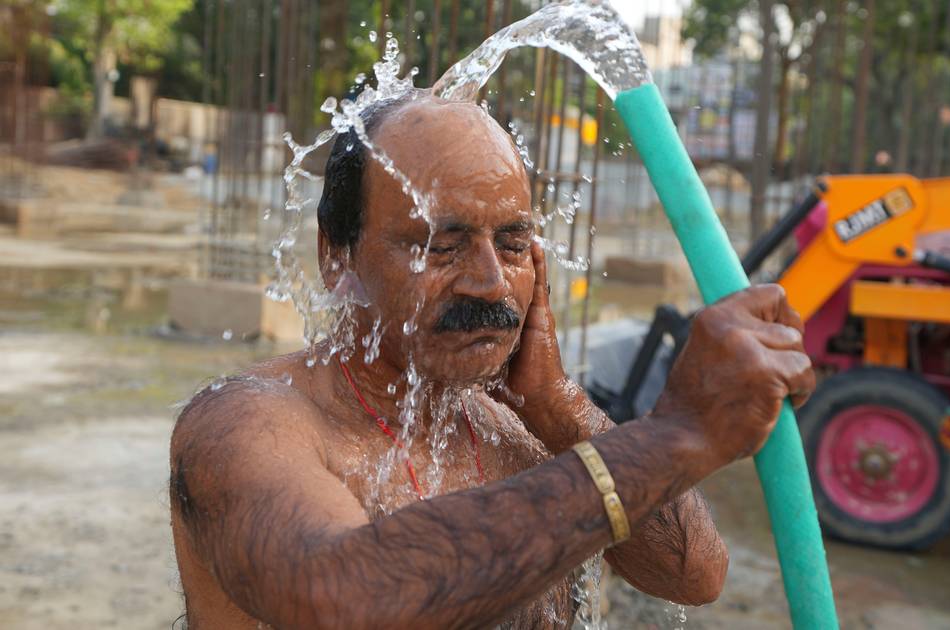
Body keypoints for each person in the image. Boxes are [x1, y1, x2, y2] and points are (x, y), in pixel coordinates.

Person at [169, 94, 815, 629]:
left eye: (511, 244)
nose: (490, 284)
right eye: (441, 245)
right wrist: (675, 438)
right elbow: (343, 595)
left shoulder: (522, 429)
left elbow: (693, 574)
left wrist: (558, 403)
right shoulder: (248, 424)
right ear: (337, 256)